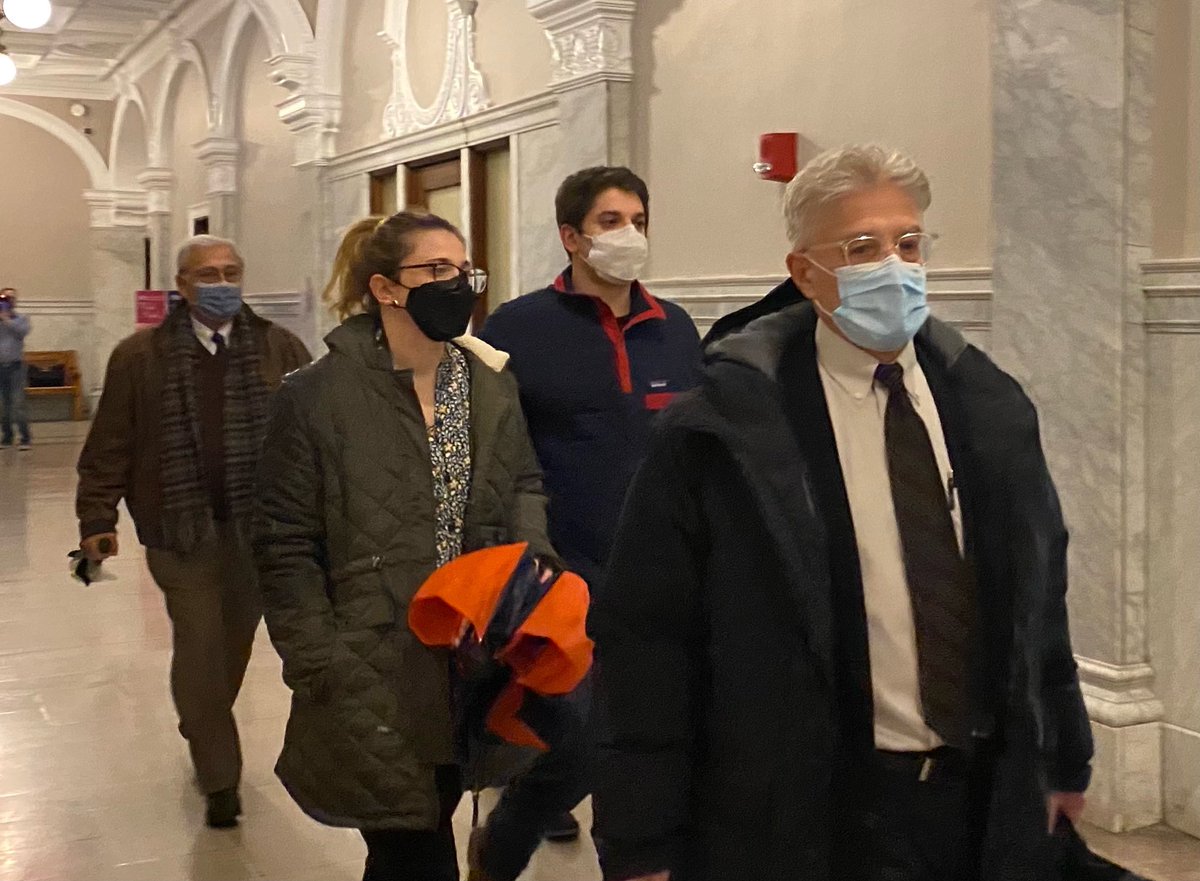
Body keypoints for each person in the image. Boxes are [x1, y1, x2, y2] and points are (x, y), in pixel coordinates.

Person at [591, 145, 1093, 881]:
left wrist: (1064, 752)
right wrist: (640, 838)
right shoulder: (725, 435)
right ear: (805, 272)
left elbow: (1039, 599)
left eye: (909, 243)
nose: (895, 265)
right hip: (811, 811)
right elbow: (648, 643)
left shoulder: (989, 410)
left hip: (977, 802)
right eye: (862, 247)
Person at [253, 211, 588, 881]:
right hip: (374, 659)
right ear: (384, 287)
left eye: (463, 270)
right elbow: (283, 543)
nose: (456, 283)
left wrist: (532, 573)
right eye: (435, 270)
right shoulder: (318, 397)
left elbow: (521, 480)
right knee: (410, 848)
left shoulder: (484, 384)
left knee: (434, 813)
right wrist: (320, 661)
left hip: (474, 656)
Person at [479, 167, 702, 841]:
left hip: (657, 574)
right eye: (611, 222)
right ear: (572, 237)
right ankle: (506, 840)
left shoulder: (677, 329)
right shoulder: (516, 327)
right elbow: (491, 456)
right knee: (573, 741)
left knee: (642, 742)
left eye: (638, 219)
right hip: (560, 571)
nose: (629, 234)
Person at [75, 235, 311, 829]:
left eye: (232, 271)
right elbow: (110, 445)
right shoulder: (140, 356)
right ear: (181, 285)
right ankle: (219, 777)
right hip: (179, 532)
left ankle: (200, 719)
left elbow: (312, 438)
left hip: (259, 532)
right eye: (208, 274)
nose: (222, 284)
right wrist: (96, 520)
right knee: (201, 645)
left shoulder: (279, 348)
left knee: (232, 647)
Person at [0, 287, 32, 450]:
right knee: (3, 404)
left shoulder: (21, 319)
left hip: (16, 367)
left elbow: (22, 332)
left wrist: (7, 319)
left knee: (18, 403)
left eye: (12, 298)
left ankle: (25, 437)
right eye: (5, 298)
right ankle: (7, 437)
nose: (9, 301)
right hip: (0, 367)